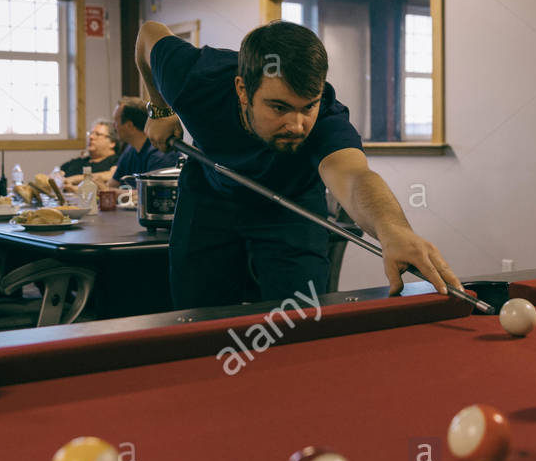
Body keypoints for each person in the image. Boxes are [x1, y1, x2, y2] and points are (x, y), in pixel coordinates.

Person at [135, 19, 463, 308]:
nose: (296, 125)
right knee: (197, 314)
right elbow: (148, 35)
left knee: (298, 319)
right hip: (210, 196)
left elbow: (354, 176)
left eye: (308, 107)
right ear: (242, 90)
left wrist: (393, 230)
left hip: (290, 207)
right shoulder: (194, 78)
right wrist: (159, 109)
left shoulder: (328, 122)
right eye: (279, 108)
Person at [110, 98, 180, 186]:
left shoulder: (161, 154)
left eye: (116, 122)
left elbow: (150, 194)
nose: (113, 126)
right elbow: (112, 185)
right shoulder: (130, 150)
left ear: (129, 126)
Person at [60, 118, 120, 187]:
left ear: (112, 142)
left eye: (97, 134)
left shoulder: (117, 161)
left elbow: (112, 175)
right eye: (90, 133)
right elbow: (56, 176)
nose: (91, 137)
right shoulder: (77, 162)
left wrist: (73, 179)